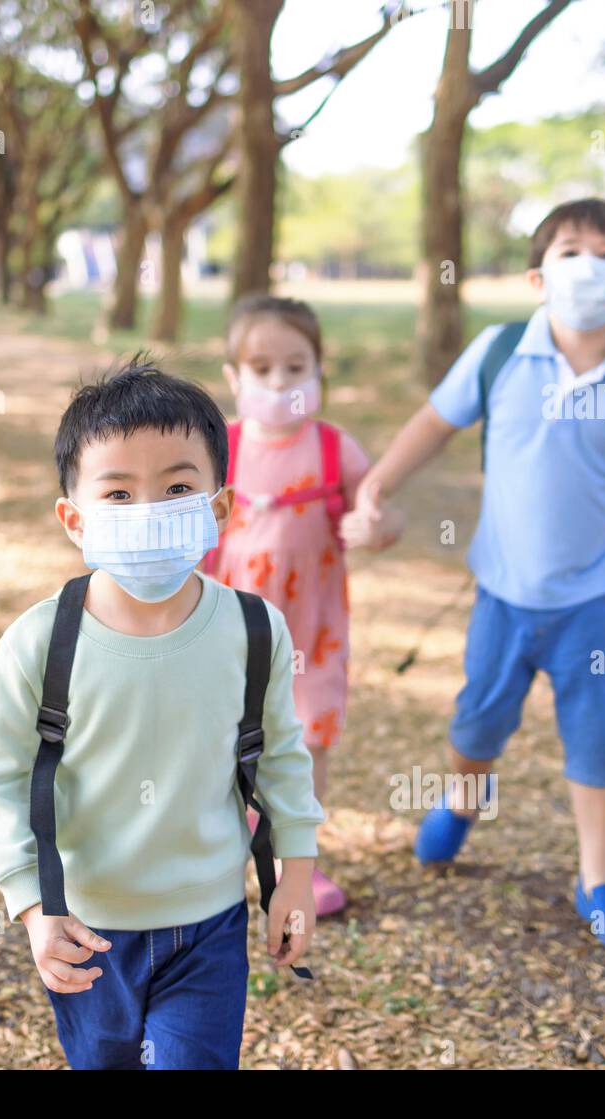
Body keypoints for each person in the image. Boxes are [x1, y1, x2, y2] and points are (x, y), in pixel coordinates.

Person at [344, 198, 605, 947]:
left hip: (591, 606)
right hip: (502, 600)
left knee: (601, 739)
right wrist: (377, 486)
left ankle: (598, 880)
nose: (590, 266)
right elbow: (434, 426)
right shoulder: (501, 352)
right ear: (538, 276)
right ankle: (461, 799)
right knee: (478, 724)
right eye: (572, 250)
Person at [0, 356, 323, 1069]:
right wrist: (33, 907)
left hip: (209, 923)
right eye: (119, 494)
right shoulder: (40, 642)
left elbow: (282, 756)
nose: (149, 510)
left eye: (177, 488)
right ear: (75, 519)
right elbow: (2, 781)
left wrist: (297, 875)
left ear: (218, 509)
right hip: (86, 925)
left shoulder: (255, 631)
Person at [204, 295, 402, 916]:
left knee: (306, 752)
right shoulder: (220, 449)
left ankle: (297, 867)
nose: (279, 381)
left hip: (313, 639)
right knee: (224, 748)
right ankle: (218, 860)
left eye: (296, 366)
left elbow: (379, 514)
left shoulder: (334, 450)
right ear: (235, 378)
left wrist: (377, 527)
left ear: (319, 370)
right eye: (262, 369)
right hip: (229, 635)